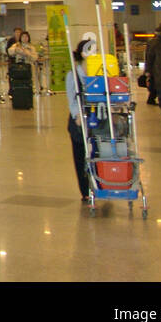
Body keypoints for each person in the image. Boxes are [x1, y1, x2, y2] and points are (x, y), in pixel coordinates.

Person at [65, 38, 93, 202]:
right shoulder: (73, 75)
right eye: (90, 50)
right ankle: (85, 190)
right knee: (80, 155)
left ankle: (97, 184)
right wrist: (77, 115)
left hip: (96, 118)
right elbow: (71, 97)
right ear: (83, 54)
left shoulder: (97, 72)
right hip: (79, 121)